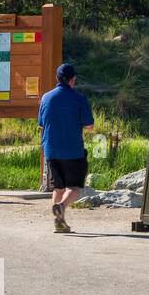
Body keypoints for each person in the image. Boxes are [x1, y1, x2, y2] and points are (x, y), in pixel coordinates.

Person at [37, 62, 94, 234]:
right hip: (72, 151)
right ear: (72, 79)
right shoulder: (78, 98)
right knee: (75, 188)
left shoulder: (46, 98)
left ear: (57, 78)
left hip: (51, 151)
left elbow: (41, 125)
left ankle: (59, 223)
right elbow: (89, 125)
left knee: (58, 188)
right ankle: (61, 206)